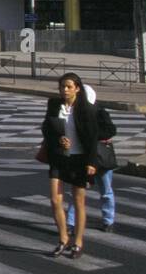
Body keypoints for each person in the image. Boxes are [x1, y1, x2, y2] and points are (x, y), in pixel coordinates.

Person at [42, 72, 100, 259]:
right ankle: (63, 238)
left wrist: (92, 162)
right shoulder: (54, 105)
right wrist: (59, 139)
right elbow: (46, 129)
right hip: (59, 157)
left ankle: (78, 242)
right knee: (55, 199)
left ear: (77, 88)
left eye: (68, 86)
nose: (64, 90)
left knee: (78, 201)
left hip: (79, 159)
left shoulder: (87, 110)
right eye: (62, 87)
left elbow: (92, 139)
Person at [66, 83, 117, 234]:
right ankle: (71, 222)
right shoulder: (73, 113)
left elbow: (110, 130)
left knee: (105, 190)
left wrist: (91, 136)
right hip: (83, 156)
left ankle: (108, 220)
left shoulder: (100, 112)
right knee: (78, 190)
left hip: (100, 156)